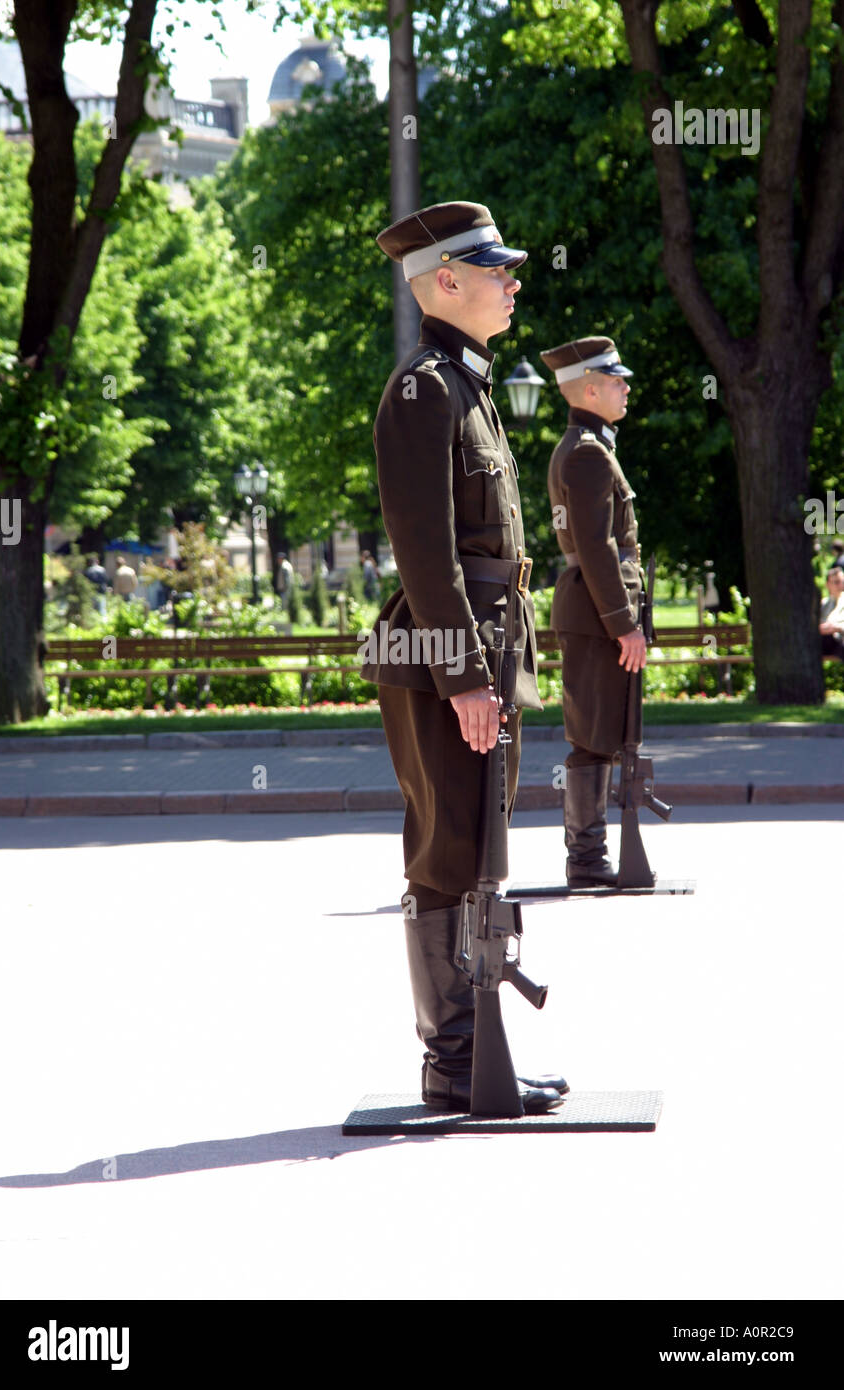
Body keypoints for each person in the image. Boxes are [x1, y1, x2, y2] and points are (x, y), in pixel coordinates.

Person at [362, 200, 566, 1114]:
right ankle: (452, 1061)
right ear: (446, 281)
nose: (513, 282)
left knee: (481, 846)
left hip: (484, 646)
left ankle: (478, 1048)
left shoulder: (469, 384)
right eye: (497, 270)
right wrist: (464, 678)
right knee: (447, 851)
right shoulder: (425, 390)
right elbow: (425, 547)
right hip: (452, 657)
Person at [540, 336, 647, 887]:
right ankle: (586, 860)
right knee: (592, 737)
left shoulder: (587, 446)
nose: (625, 387)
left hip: (593, 610)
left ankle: (590, 857)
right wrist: (623, 623)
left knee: (601, 734)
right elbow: (599, 545)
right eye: (616, 380)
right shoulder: (585, 451)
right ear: (588, 388)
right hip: (596, 612)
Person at [819, 566, 844, 658]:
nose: (841, 585)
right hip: (826, 641)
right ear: (828, 585)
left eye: (842, 581)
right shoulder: (824, 604)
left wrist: (838, 628)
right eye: (836, 582)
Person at [85, 553, 108, 618]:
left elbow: (87, 583)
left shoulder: (88, 571)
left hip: (92, 592)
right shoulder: (102, 569)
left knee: (92, 610)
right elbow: (105, 580)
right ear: (97, 562)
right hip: (101, 592)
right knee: (102, 610)